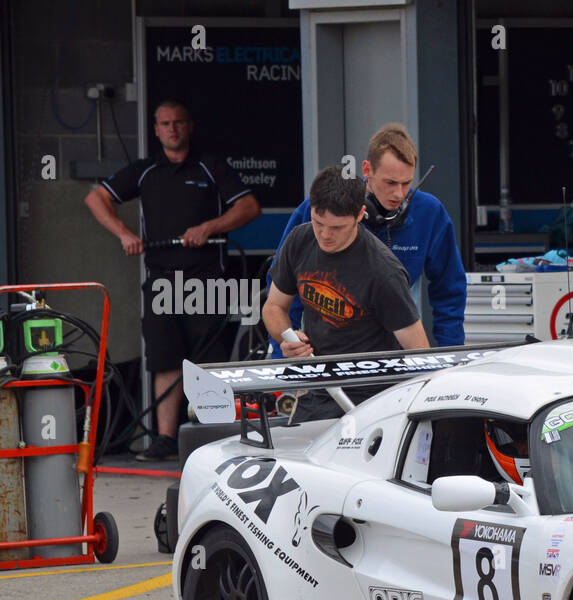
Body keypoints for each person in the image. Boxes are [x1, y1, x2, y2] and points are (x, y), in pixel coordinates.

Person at [85, 99, 261, 460]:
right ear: (156, 129)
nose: (172, 129)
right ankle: (166, 440)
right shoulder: (146, 170)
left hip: (206, 280)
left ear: (189, 126)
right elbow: (96, 198)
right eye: (165, 124)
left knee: (207, 361)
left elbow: (248, 207)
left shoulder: (210, 167)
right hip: (162, 280)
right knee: (165, 360)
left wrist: (208, 227)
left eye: (178, 122)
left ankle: (215, 437)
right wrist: (124, 234)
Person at [268, 122, 466, 357]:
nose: (399, 194)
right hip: (321, 352)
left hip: (392, 347)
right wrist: (286, 353)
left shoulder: (429, 213)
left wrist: (451, 356)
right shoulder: (322, 210)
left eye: (407, 183)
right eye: (390, 182)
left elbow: (449, 290)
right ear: (367, 170)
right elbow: (287, 287)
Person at [262, 165, 430, 422]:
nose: (325, 235)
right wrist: (287, 338)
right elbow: (273, 307)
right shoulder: (299, 240)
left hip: (372, 397)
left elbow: (420, 355)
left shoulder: (384, 272)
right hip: (317, 389)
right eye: (319, 223)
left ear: (361, 215)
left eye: (337, 228)